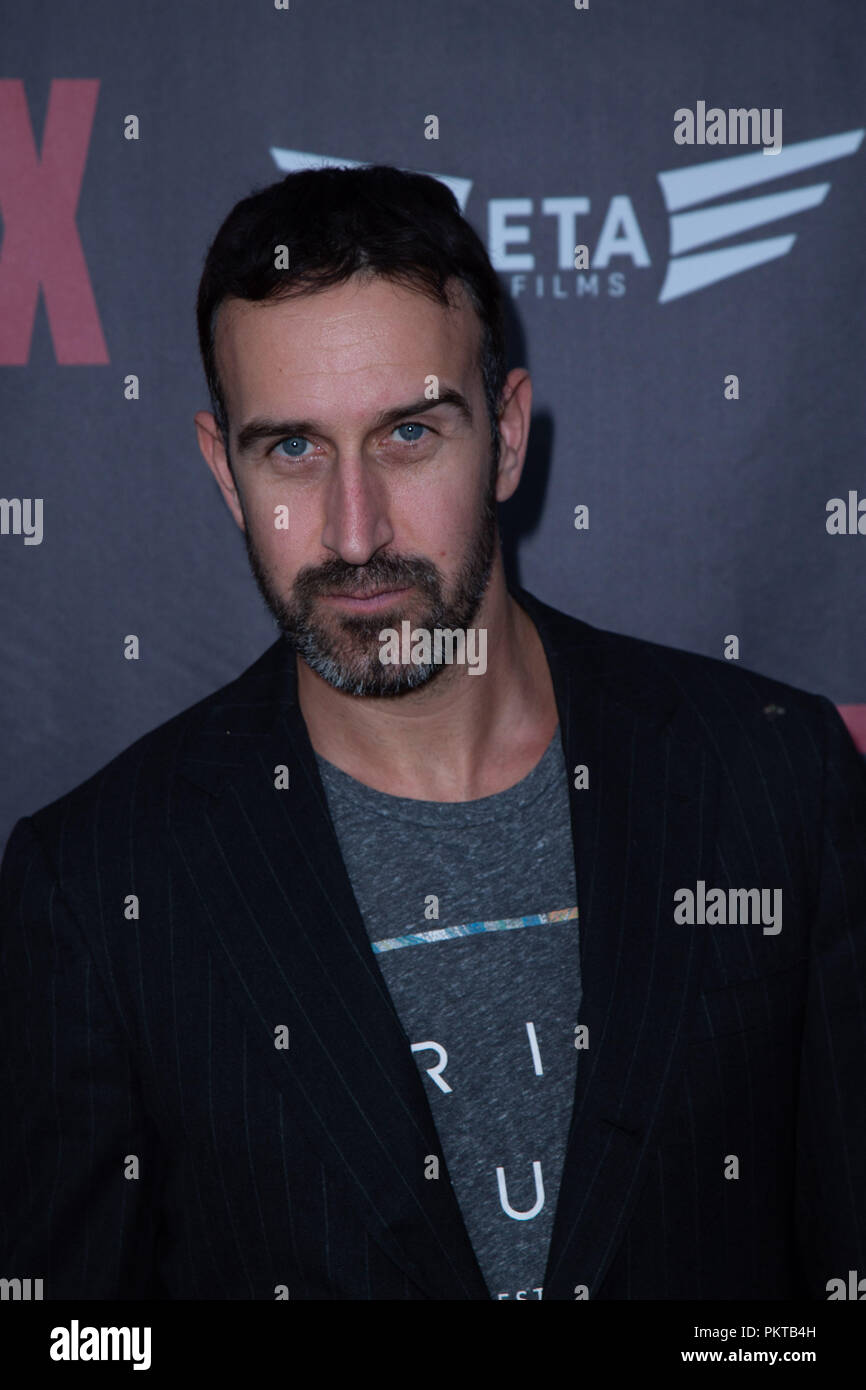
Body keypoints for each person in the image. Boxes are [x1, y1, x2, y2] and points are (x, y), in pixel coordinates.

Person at [1, 165, 864, 1301]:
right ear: (223, 468)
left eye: (407, 433)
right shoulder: (96, 885)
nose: (354, 535)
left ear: (504, 436)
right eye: (293, 451)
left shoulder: (771, 782)